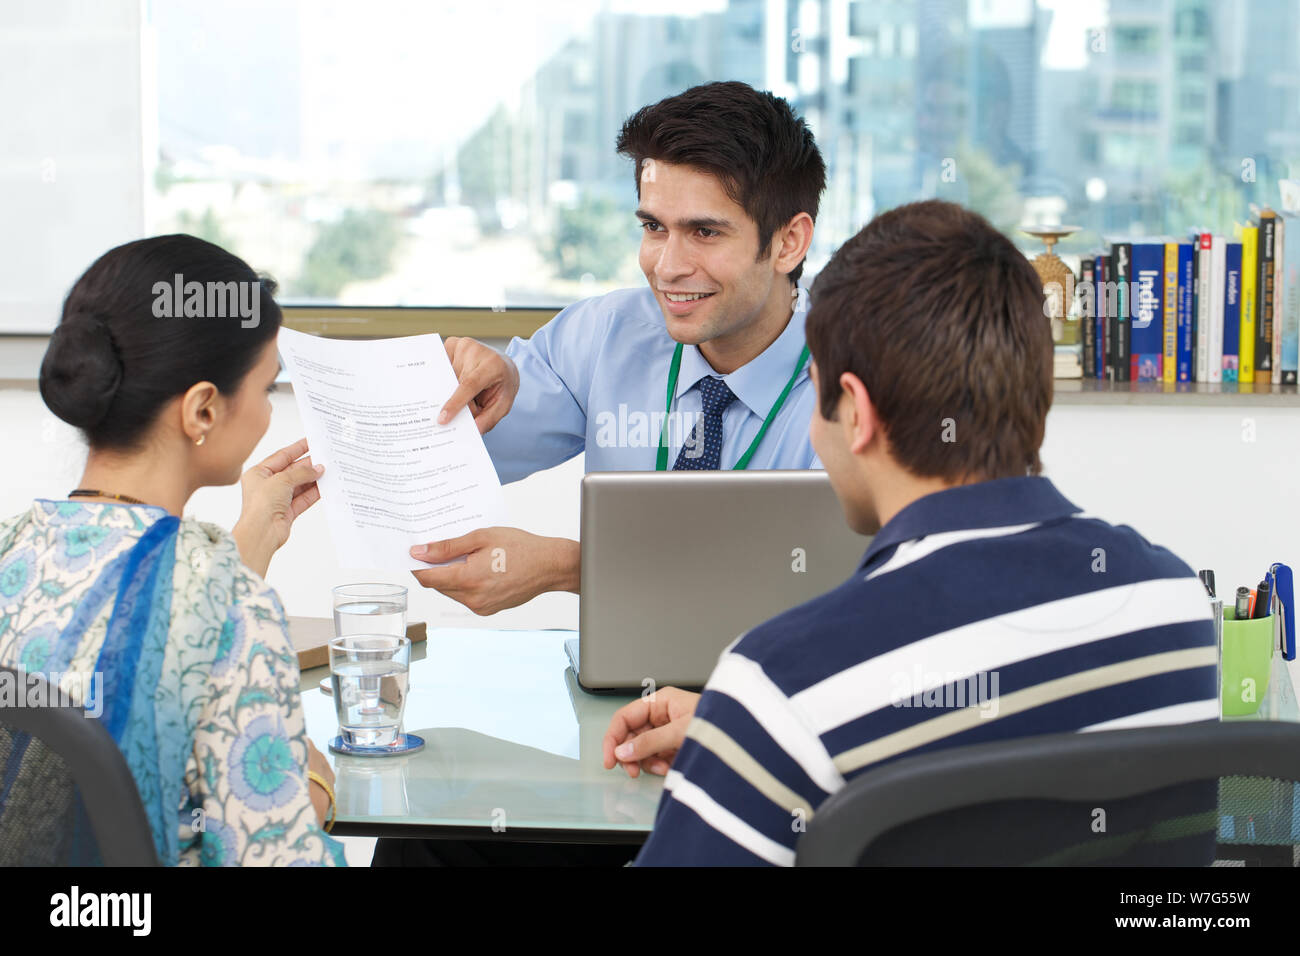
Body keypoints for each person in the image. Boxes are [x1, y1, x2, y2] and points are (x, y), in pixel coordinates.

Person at [603, 200, 1218, 865]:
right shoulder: (1176, 607)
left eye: (815, 395)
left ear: (857, 413)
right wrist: (749, 740)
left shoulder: (777, 684)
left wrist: (753, 735)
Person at [407, 80, 827, 616]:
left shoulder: (854, 385)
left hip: (780, 689)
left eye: (704, 232)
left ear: (788, 242)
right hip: (620, 690)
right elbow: (438, 464)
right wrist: (449, 394)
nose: (667, 266)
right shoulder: (606, 333)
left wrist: (573, 568)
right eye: (654, 227)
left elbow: (821, 586)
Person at [0, 235, 345, 866]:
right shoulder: (231, 607)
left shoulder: (10, 550)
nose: (269, 412)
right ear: (203, 409)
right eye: (267, 388)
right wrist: (317, 788)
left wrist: (247, 547)